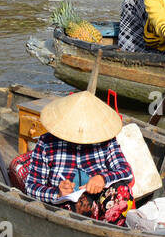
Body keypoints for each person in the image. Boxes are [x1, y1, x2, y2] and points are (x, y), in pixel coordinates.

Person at [22, 91, 134, 226]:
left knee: (122, 191)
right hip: (65, 206)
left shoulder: (107, 139)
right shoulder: (46, 143)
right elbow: (31, 186)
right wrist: (57, 193)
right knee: (73, 206)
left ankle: (108, 233)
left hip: (100, 203)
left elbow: (125, 171)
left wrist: (102, 178)